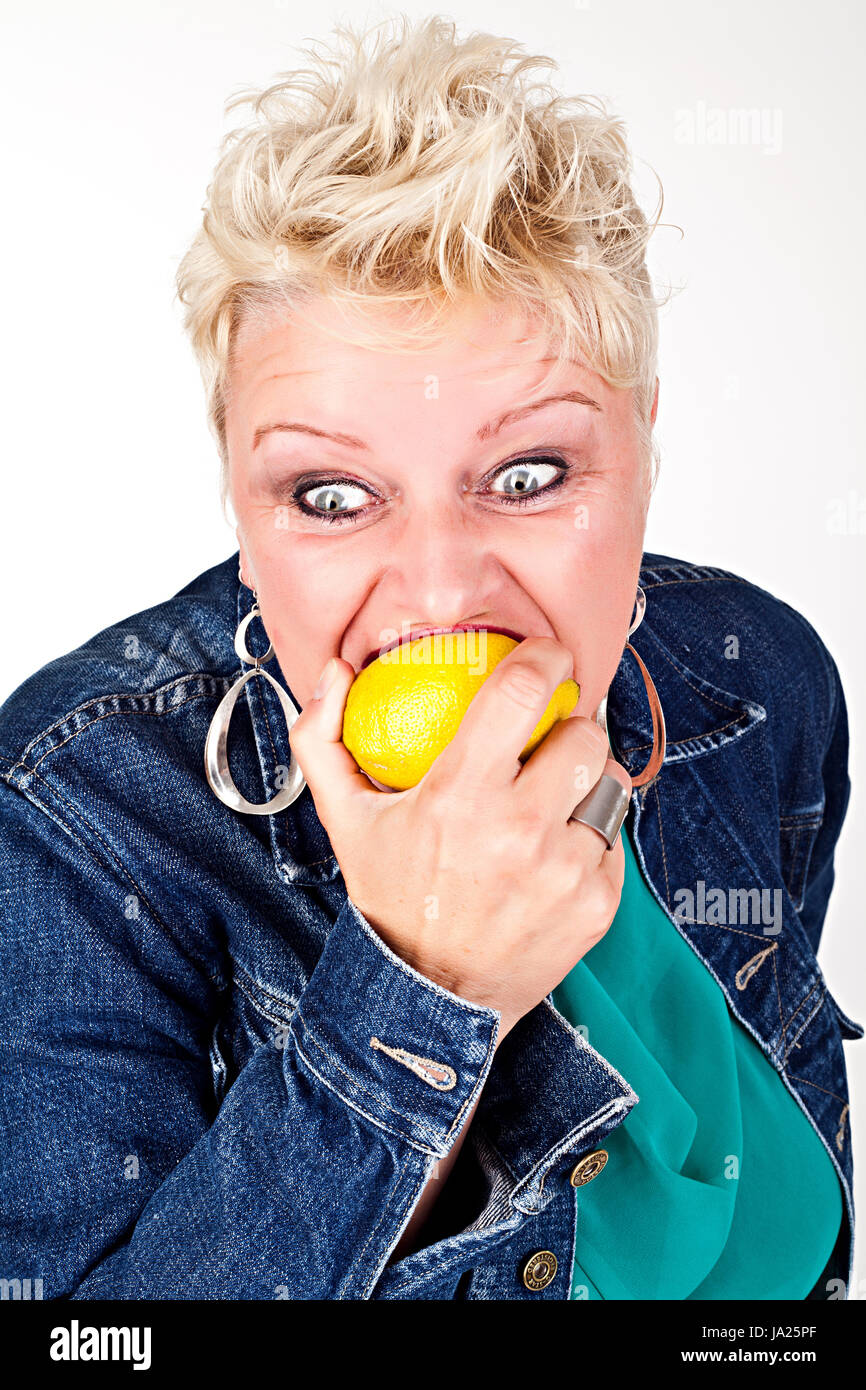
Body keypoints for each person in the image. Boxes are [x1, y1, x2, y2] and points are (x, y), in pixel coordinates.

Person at [0, 13, 860, 1301]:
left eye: (528, 475)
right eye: (334, 496)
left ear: (646, 449)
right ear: (239, 502)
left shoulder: (756, 685)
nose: (444, 588)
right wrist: (424, 981)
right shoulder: (76, 821)